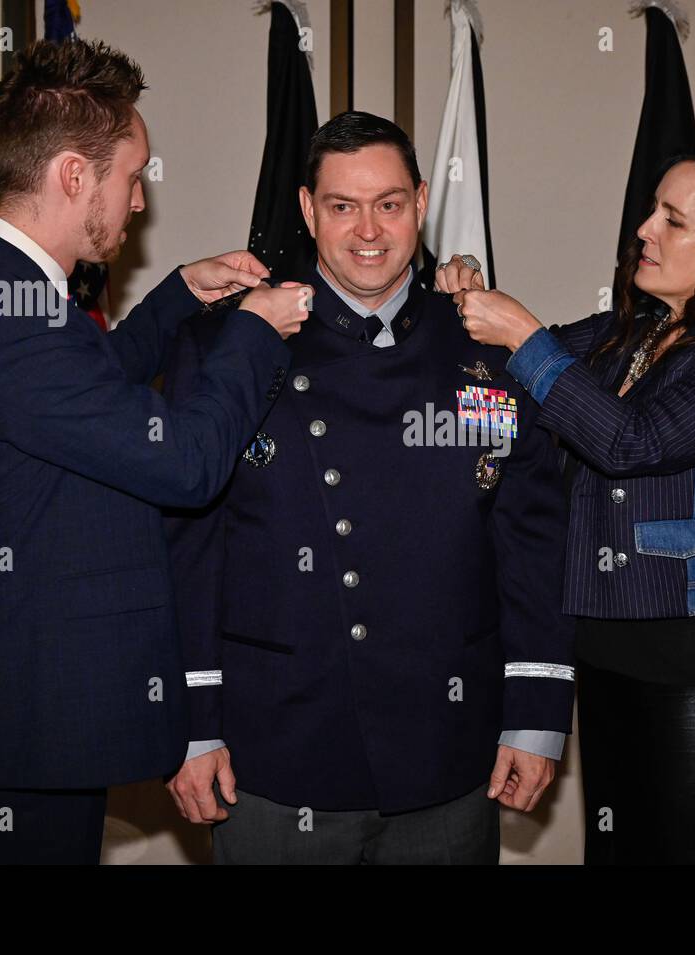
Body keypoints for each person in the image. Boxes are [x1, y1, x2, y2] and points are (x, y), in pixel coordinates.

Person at [0, 38, 310, 864]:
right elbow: (186, 462)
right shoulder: (11, 322)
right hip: (6, 733)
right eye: (132, 175)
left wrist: (176, 297)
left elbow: (81, 403)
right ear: (75, 176)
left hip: (16, 719)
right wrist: (254, 332)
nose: (140, 201)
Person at [161, 111, 575, 864]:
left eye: (388, 204)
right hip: (277, 748)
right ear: (307, 209)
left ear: (421, 202)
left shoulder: (487, 342)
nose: (368, 231)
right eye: (343, 206)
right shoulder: (230, 343)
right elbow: (191, 550)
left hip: (449, 748)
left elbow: (531, 543)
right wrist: (193, 722)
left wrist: (536, 715)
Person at [438, 144, 695, 863]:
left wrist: (521, 331)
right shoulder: (633, 330)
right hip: (604, 650)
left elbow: (633, 442)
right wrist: (460, 300)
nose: (644, 229)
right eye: (652, 212)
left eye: (672, 220)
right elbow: (516, 379)